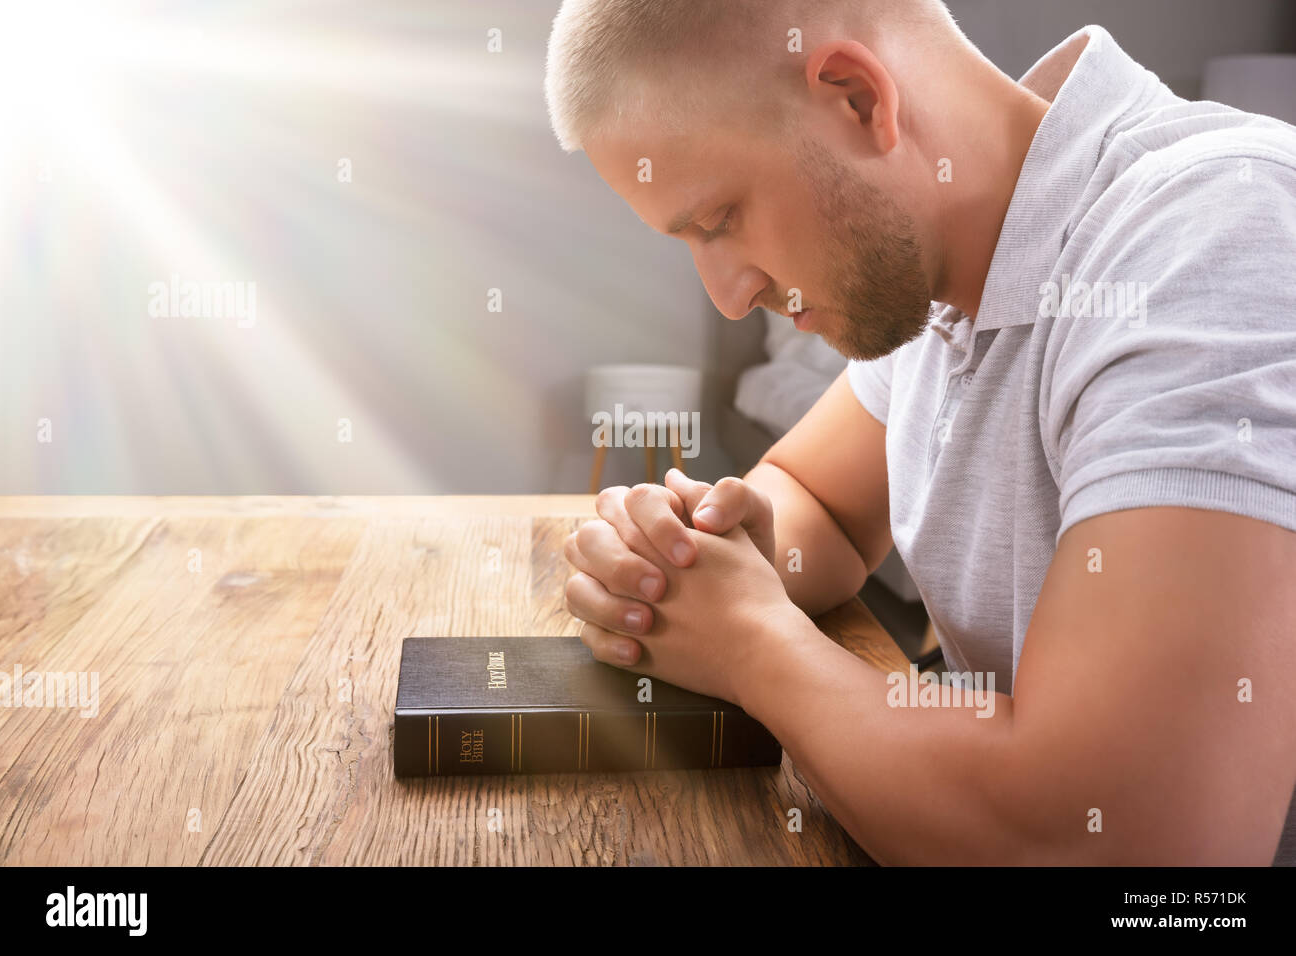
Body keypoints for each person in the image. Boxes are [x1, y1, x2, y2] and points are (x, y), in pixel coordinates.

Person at [545, 0, 1296, 864]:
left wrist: (749, 642)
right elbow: (817, 501)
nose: (727, 292)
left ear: (858, 97)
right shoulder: (938, 274)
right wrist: (722, 548)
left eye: (718, 221)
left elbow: (1130, 845)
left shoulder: (1209, 234)